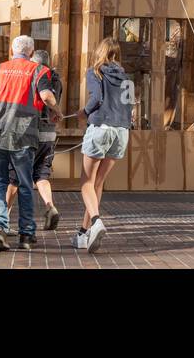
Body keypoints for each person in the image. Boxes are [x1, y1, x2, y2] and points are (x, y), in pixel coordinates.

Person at [0, 35, 58, 251]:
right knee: (25, 184)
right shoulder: (38, 71)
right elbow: (46, 97)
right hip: (23, 135)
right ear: (32, 53)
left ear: (11, 51)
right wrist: (57, 110)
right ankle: (26, 235)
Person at [73, 39, 132, 253]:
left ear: (100, 52)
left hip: (101, 128)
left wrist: (84, 112)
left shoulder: (95, 71)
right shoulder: (127, 78)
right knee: (97, 183)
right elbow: (130, 106)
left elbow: (96, 98)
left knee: (86, 182)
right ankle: (83, 232)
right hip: (122, 131)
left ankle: (97, 221)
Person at [7, 48, 61, 232]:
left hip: (29, 132)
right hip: (49, 134)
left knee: (14, 177)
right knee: (42, 174)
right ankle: (49, 207)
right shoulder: (56, 79)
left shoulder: (35, 75)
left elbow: (42, 97)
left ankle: (3, 218)